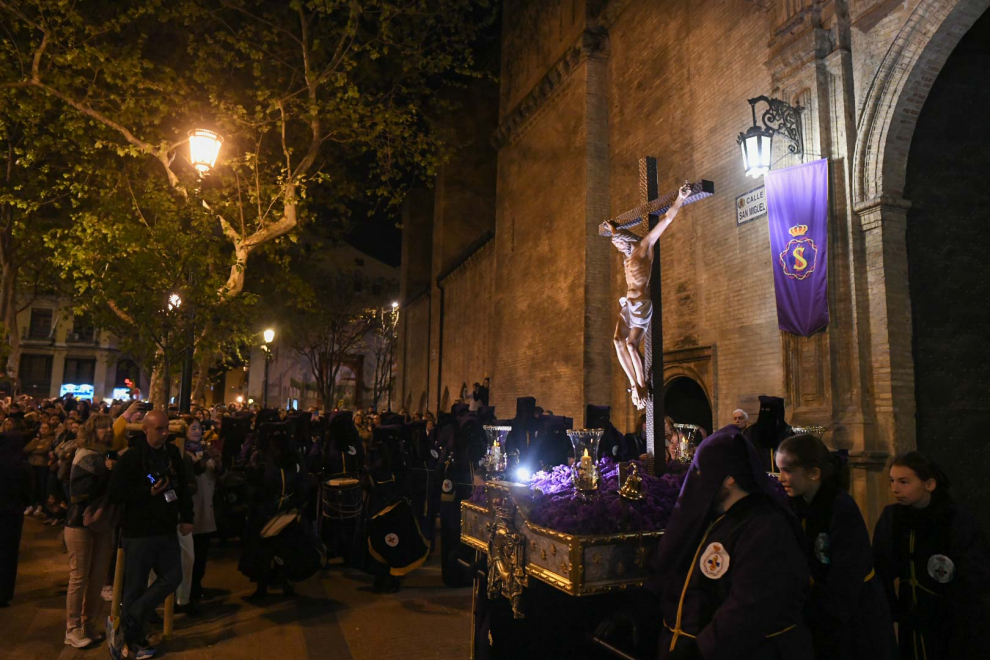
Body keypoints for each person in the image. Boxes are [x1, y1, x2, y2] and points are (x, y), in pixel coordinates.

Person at [602, 426, 813, 659]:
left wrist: (697, 653)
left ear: (731, 477)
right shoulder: (714, 519)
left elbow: (747, 611)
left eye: (701, 471)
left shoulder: (765, 527)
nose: (696, 480)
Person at [775, 434, 894, 659]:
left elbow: (847, 574)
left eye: (788, 470)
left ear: (814, 473)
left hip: (853, 614)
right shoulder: (794, 504)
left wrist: (816, 610)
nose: (781, 478)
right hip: (819, 608)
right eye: (779, 469)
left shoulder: (841, 508)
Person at [872, 451, 990, 659]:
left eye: (904, 482)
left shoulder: (956, 520)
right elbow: (882, 566)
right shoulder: (892, 518)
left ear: (929, 484)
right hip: (910, 617)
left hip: (951, 620)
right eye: (892, 481)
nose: (894, 489)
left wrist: (944, 607)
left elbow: (973, 574)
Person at [108, 410, 193, 660]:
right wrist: (148, 493)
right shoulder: (133, 458)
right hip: (138, 533)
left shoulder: (172, 454)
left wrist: (186, 516)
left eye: (167, 428)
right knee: (134, 585)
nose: (165, 434)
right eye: (159, 429)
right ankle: (133, 640)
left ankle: (130, 619)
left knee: (173, 576)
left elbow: (183, 488)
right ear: (145, 430)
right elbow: (115, 494)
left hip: (166, 530)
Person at [601, 183, 691, 409]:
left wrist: (680, 198)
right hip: (628, 304)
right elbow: (616, 235)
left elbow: (666, 220)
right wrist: (612, 229)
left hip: (641, 303)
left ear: (627, 239)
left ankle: (642, 384)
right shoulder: (627, 255)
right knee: (616, 341)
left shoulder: (644, 245)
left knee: (632, 345)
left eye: (620, 243)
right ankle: (633, 383)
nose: (619, 247)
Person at [64, 415, 117, 648]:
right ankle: (72, 628)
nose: (107, 431)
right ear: (92, 431)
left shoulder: (108, 455)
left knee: (97, 577)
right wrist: (108, 474)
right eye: (102, 427)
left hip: (102, 523)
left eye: (109, 427)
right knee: (79, 576)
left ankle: (89, 624)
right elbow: (77, 493)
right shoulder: (85, 455)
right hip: (80, 523)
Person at [182, 418, 221, 611]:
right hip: (189, 515)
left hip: (206, 513)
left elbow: (219, 475)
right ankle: (185, 596)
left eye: (200, 428)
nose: (198, 431)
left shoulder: (206, 451)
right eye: (193, 427)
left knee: (201, 558)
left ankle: (196, 591)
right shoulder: (182, 454)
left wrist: (218, 461)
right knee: (187, 559)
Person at [0, 417, 32, 607]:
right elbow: (29, 492)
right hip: (12, 514)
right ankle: (3, 594)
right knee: (8, 554)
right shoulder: (22, 466)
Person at [23, 420, 55, 516]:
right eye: (42, 428)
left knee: (41, 486)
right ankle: (32, 505)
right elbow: (26, 449)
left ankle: (41, 505)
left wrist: (34, 449)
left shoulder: (51, 439)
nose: (43, 430)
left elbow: (44, 450)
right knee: (32, 485)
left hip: (42, 465)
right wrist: (37, 446)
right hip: (32, 464)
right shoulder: (36, 439)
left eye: (46, 428)